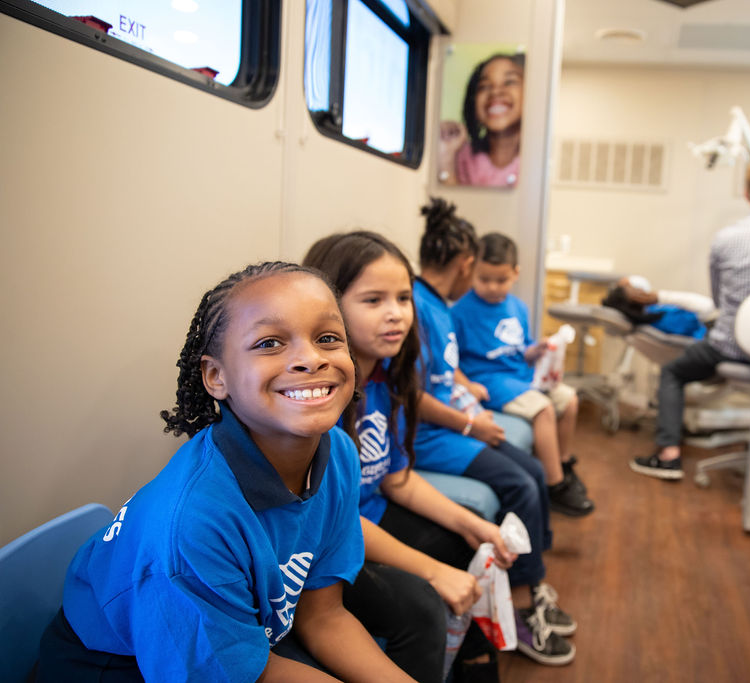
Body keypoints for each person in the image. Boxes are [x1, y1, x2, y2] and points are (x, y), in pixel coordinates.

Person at [37, 262, 415, 682]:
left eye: (327, 338)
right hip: (121, 667)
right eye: (270, 343)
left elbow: (322, 615)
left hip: (243, 645)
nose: (310, 358)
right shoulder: (193, 524)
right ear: (216, 377)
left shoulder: (339, 453)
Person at [303, 231, 517, 682]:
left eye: (403, 298)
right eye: (374, 300)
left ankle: (472, 666)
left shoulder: (385, 377)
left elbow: (395, 479)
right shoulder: (317, 397)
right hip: (328, 541)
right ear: (329, 306)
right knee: (420, 608)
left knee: (468, 543)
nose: (396, 313)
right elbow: (332, 519)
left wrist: (475, 525)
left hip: (370, 519)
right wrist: (434, 573)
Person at [413, 197, 577, 666]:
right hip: (432, 438)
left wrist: (469, 407)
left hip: (454, 426)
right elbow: (415, 395)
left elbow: (446, 379)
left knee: (529, 469)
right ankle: (525, 612)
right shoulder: (423, 309)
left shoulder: (438, 307)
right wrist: (471, 424)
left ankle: (535, 583)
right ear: (467, 264)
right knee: (521, 483)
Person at [629, 158, 750, 480]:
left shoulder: (726, 238)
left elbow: (718, 300)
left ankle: (668, 455)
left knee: (672, 373)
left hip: (728, 347)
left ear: (746, 193)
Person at [451, 232, 594, 516]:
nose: (492, 287)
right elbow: (449, 360)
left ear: (516, 273)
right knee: (543, 410)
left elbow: (522, 349)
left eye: (501, 280)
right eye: (484, 279)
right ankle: (555, 486)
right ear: (471, 272)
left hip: (521, 376)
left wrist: (538, 350)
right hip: (490, 381)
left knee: (569, 399)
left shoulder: (518, 307)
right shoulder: (460, 311)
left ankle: (563, 465)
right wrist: (468, 385)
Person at [438, 52, 524, 187]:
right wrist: (446, 158)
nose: (495, 91)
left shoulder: (534, 164)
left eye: (509, 82)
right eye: (484, 86)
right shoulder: (460, 156)